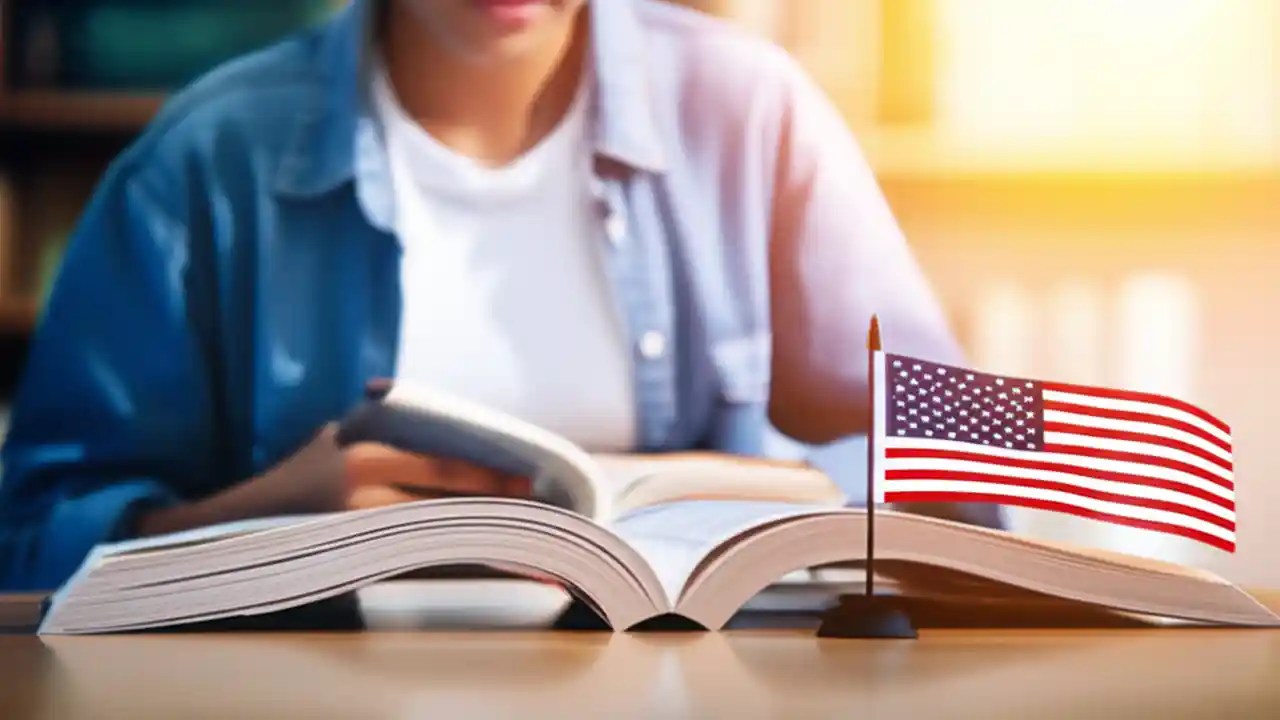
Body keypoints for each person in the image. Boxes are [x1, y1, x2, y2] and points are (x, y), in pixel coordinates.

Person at [0, 0, 1001, 591]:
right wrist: (269, 521)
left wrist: (766, 490)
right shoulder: (205, 160)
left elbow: (972, 471)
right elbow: (29, 542)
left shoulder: (756, 114)